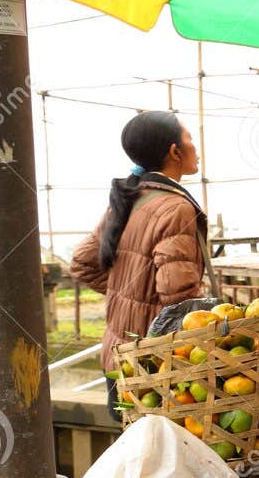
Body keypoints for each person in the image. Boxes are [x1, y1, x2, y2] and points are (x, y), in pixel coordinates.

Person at [71, 111, 211, 419]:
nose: (195, 148)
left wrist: (129, 296)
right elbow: (180, 297)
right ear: (175, 152)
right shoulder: (175, 207)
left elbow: (82, 263)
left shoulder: (129, 198)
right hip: (153, 367)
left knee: (137, 459)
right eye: (189, 139)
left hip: (115, 360)